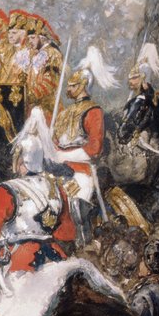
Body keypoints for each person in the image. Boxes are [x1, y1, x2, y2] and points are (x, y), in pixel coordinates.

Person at [0, 135, 76, 273]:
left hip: (21, 259)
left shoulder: (7, 189)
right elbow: (68, 233)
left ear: (20, 159)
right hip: (55, 254)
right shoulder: (57, 187)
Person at [53, 46, 114, 244]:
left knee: (77, 206)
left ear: (82, 86)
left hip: (82, 170)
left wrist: (64, 156)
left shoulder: (94, 111)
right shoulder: (64, 113)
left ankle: (83, 243)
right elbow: (56, 140)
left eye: (72, 85)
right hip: (57, 168)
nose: (68, 89)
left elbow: (94, 149)